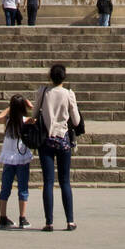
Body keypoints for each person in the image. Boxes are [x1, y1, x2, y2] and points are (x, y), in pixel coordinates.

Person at [35, 63, 80, 231]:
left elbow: (34, 114)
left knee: (48, 182)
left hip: (45, 141)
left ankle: (49, 222)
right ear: (64, 77)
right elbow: (75, 121)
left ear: (50, 76)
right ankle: (70, 221)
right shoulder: (69, 94)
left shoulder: (43, 92)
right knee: (65, 182)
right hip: (63, 140)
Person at [0, 93, 34, 229]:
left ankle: (2, 217)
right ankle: (22, 218)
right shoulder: (26, 120)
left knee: (5, 188)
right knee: (23, 188)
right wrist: (31, 106)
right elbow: (38, 117)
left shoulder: (7, 120)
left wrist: (10, 108)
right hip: (22, 158)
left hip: (8, 158)